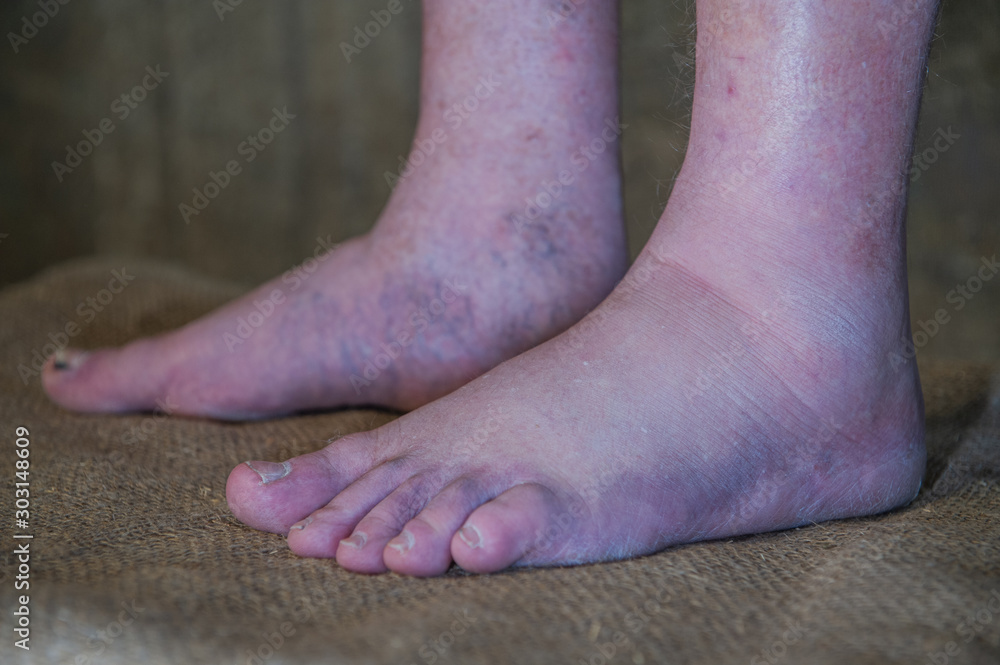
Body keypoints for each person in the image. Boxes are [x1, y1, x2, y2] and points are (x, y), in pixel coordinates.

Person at [43, 0, 940, 576]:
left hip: (787, 320)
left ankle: (774, 305)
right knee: (498, 204)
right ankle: (495, 228)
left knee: (778, 285)